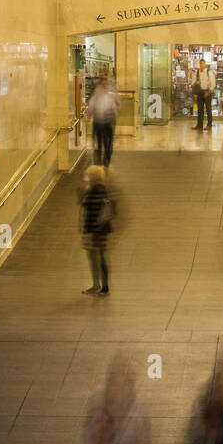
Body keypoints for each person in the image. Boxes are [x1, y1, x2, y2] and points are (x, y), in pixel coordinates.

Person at [80, 165, 113, 296]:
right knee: (97, 258)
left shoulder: (97, 191)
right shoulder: (99, 189)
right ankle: (99, 285)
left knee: (97, 258)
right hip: (98, 231)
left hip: (95, 232)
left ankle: (101, 287)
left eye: (89, 175)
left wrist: (90, 231)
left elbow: (93, 211)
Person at [89, 78, 120, 168]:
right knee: (99, 141)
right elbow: (91, 106)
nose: (103, 87)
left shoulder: (110, 94)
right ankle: (99, 160)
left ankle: (107, 157)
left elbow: (116, 105)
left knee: (107, 141)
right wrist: (90, 115)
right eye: (102, 85)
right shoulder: (96, 95)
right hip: (98, 122)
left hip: (108, 121)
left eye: (105, 85)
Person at [192, 59, 215, 131]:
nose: (201, 65)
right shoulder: (197, 72)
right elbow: (193, 82)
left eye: (203, 63)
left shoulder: (209, 72)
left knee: (208, 109)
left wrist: (209, 91)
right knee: (200, 110)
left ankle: (209, 124)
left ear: (205, 64)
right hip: (200, 92)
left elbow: (213, 83)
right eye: (200, 64)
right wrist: (196, 83)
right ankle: (199, 125)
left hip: (207, 92)